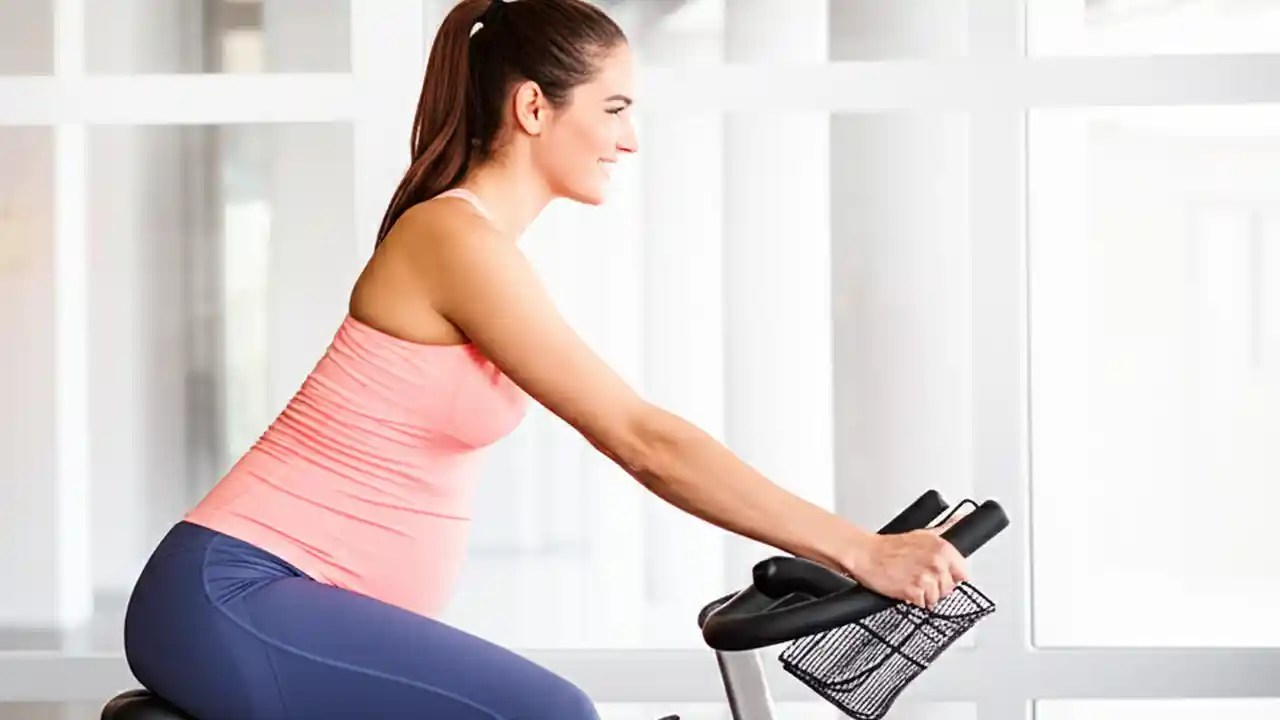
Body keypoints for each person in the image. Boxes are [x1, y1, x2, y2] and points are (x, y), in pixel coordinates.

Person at [121, 0, 970, 718]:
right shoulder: (452, 238)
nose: (630, 140)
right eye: (613, 108)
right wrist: (860, 551)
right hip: (233, 595)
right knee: (553, 715)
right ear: (534, 107)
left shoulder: (478, 244)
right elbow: (644, 439)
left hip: (281, 599)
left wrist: (857, 546)